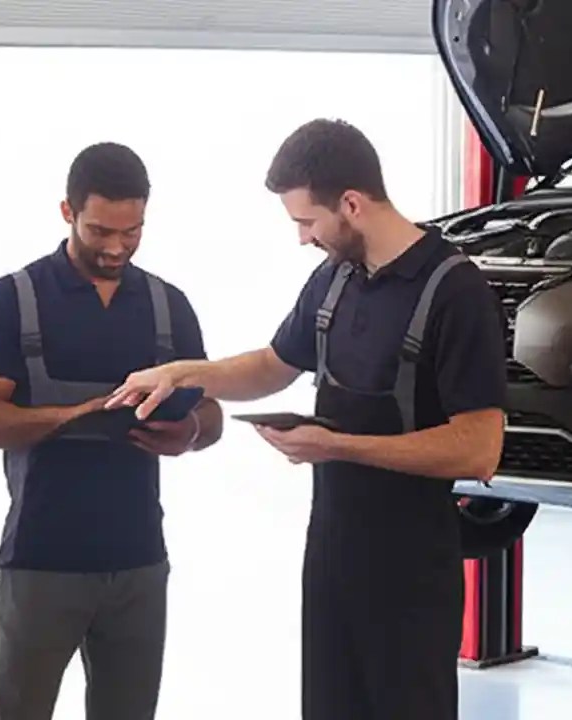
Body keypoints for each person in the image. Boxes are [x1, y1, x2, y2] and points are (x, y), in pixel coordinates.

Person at [108, 118, 508, 719]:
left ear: (351, 203)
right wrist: (185, 373)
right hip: (332, 552)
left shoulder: (455, 292)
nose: (302, 238)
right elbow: (274, 364)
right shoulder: (334, 279)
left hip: (411, 570)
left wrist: (339, 447)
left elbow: (479, 449)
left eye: (306, 222)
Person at [0, 141, 223, 720]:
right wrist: (75, 416)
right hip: (41, 559)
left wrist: (190, 433)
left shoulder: (168, 306)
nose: (116, 246)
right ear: (67, 212)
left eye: (132, 231)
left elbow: (213, 415)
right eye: (101, 230)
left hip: (139, 562)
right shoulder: (12, 300)